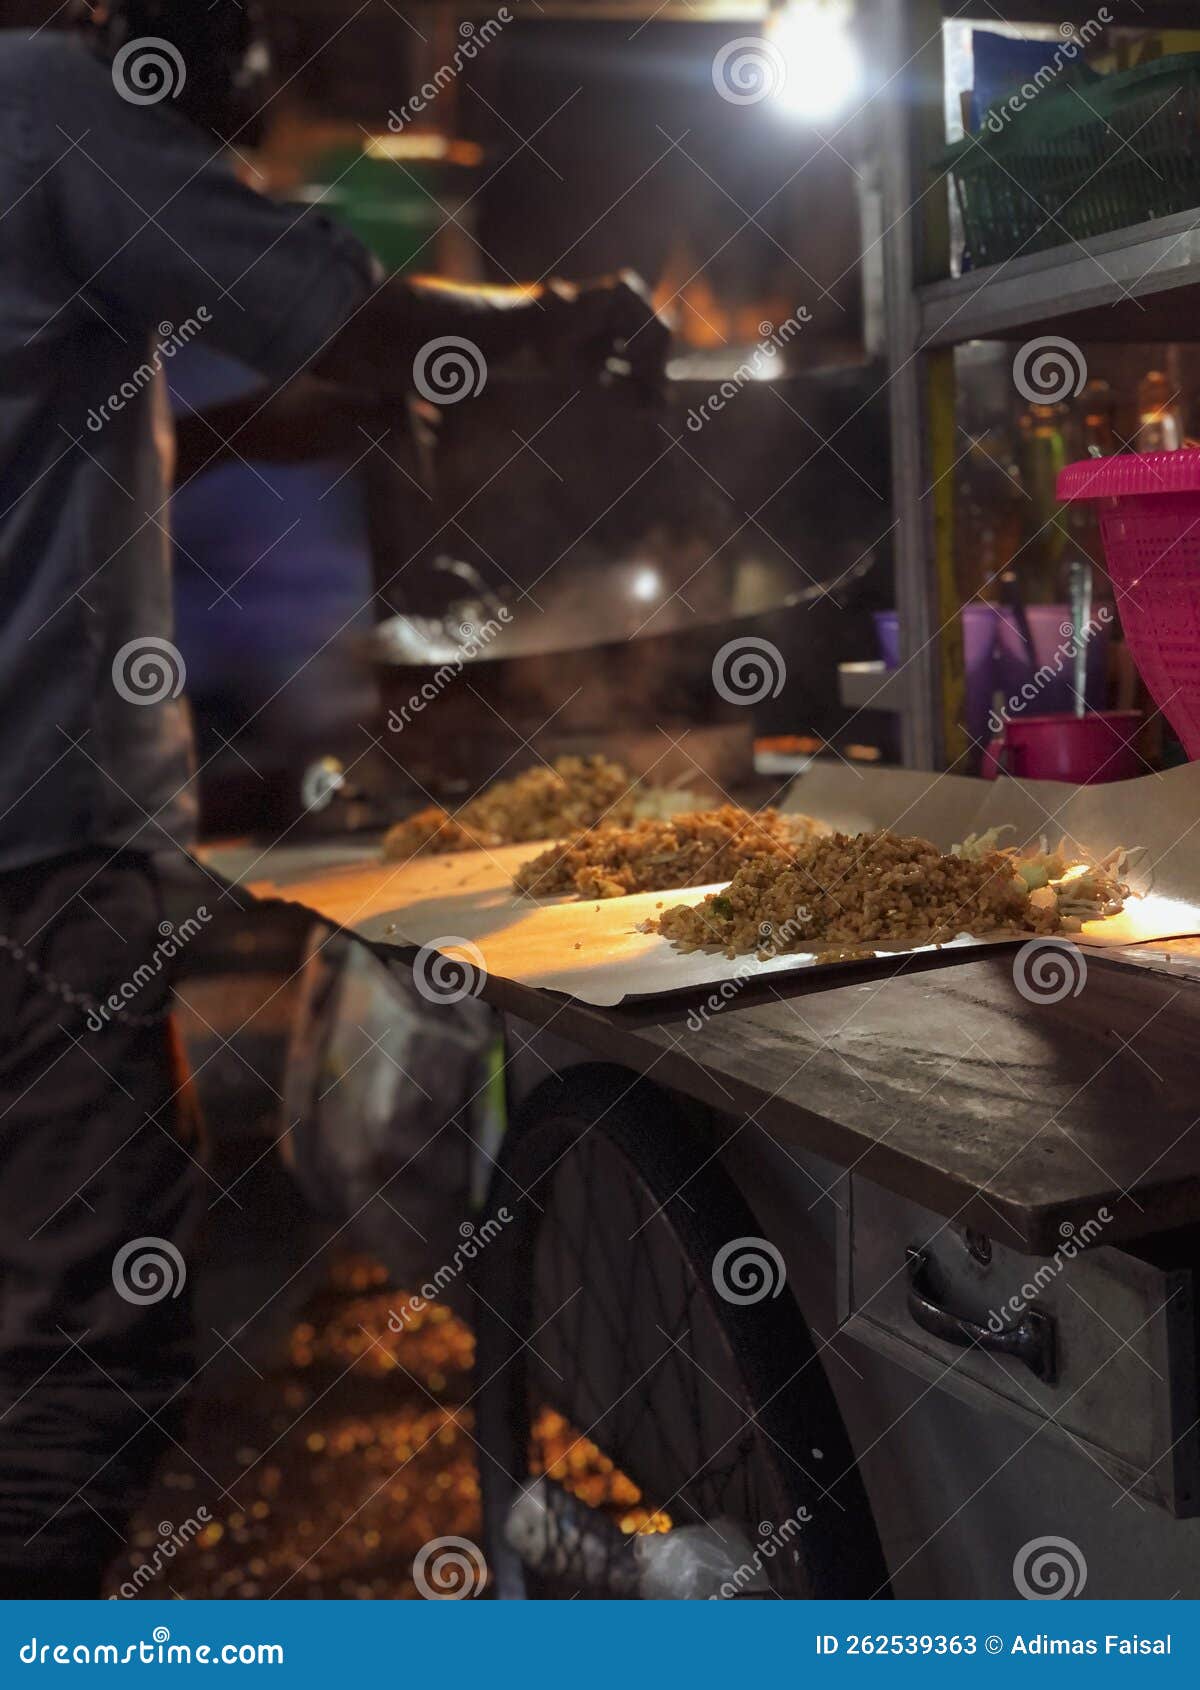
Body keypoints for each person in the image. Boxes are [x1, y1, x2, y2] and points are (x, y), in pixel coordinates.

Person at [0, 0, 668, 1597]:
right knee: (86, 1353)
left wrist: (328, 402)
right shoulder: (35, 99)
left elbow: (74, 413)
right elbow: (328, 308)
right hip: (36, 850)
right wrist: (556, 318)